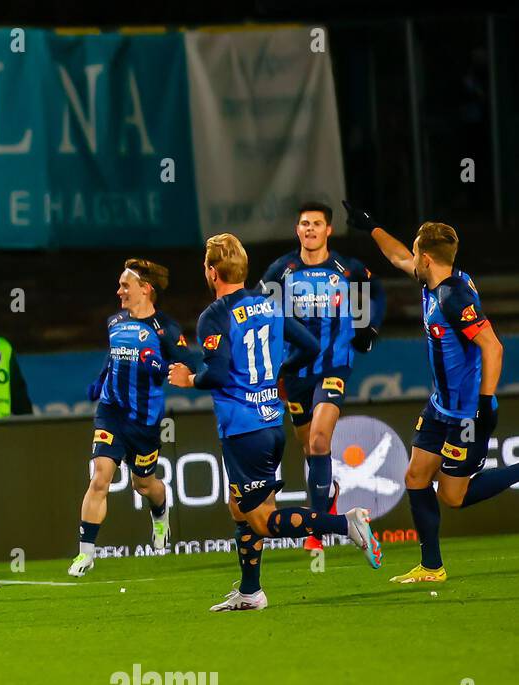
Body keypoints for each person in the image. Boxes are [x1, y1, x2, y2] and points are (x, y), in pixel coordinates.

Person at [168, 234, 381, 612]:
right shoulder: (269, 306)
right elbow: (311, 348)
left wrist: (188, 379)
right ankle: (251, 592)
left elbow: (215, 373)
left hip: (243, 427)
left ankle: (345, 525)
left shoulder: (214, 315)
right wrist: (276, 374)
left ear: (212, 272)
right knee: (241, 508)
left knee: (263, 519)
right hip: (270, 420)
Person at [344, 204, 518, 583]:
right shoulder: (433, 280)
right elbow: (398, 256)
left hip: (465, 415)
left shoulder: (454, 298)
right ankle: (431, 566)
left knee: (453, 496)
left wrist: (486, 402)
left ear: (427, 257)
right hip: (440, 406)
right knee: (415, 476)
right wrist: (372, 226)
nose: (411, 258)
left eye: (416, 252)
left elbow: (493, 347)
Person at [258, 202, 386, 550]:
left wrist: (369, 327)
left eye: (317, 224)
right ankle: (329, 495)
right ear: (297, 230)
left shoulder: (347, 269)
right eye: (304, 224)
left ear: (329, 230)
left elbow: (375, 293)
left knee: (318, 441)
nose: (310, 229)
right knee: (309, 447)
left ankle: (316, 533)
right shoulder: (281, 270)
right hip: (294, 370)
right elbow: (261, 315)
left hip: (334, 365)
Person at [69, 259, 191, 576]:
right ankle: (85, 554)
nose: (119, 290)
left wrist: (161, 368)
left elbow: (186, 367)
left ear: (145, 289)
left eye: (125, 285)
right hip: (111, 412)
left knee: (144, 485)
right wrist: (101, 379)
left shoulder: (166, 330)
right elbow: (115, 356)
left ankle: (160, 515)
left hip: (145, 421)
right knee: (100, 479)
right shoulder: (115, 322)